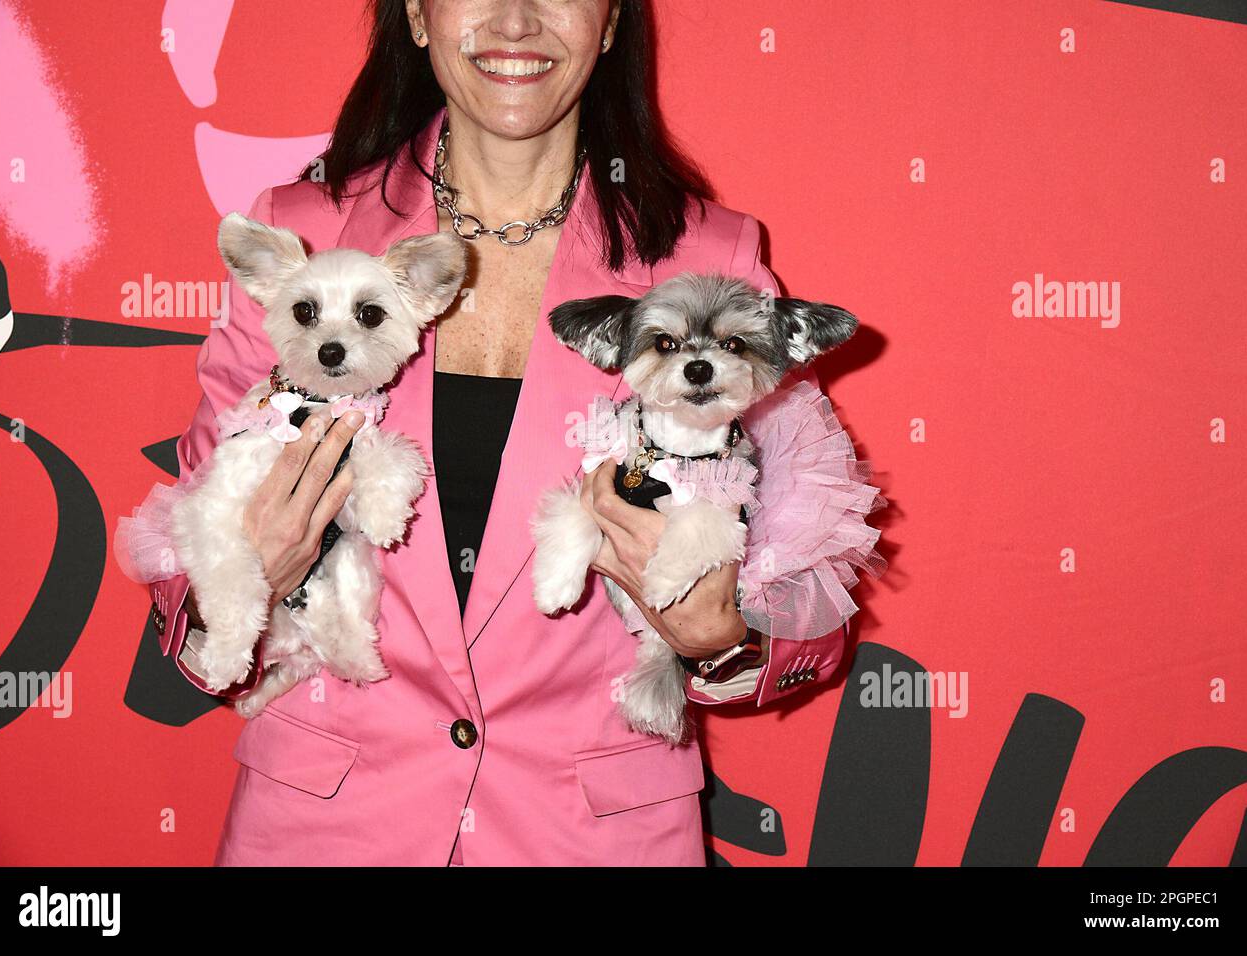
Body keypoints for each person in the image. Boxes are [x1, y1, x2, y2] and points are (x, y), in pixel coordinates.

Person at [125, 0, 885, 865]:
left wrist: (729, 631)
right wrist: (248, 573)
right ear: (417, 12)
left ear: (608, 22)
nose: (516, 20)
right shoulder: (308, 236)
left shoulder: (708, 261)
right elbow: (183, 546)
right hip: (324, 826)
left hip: (592, 835)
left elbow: (817, 582)